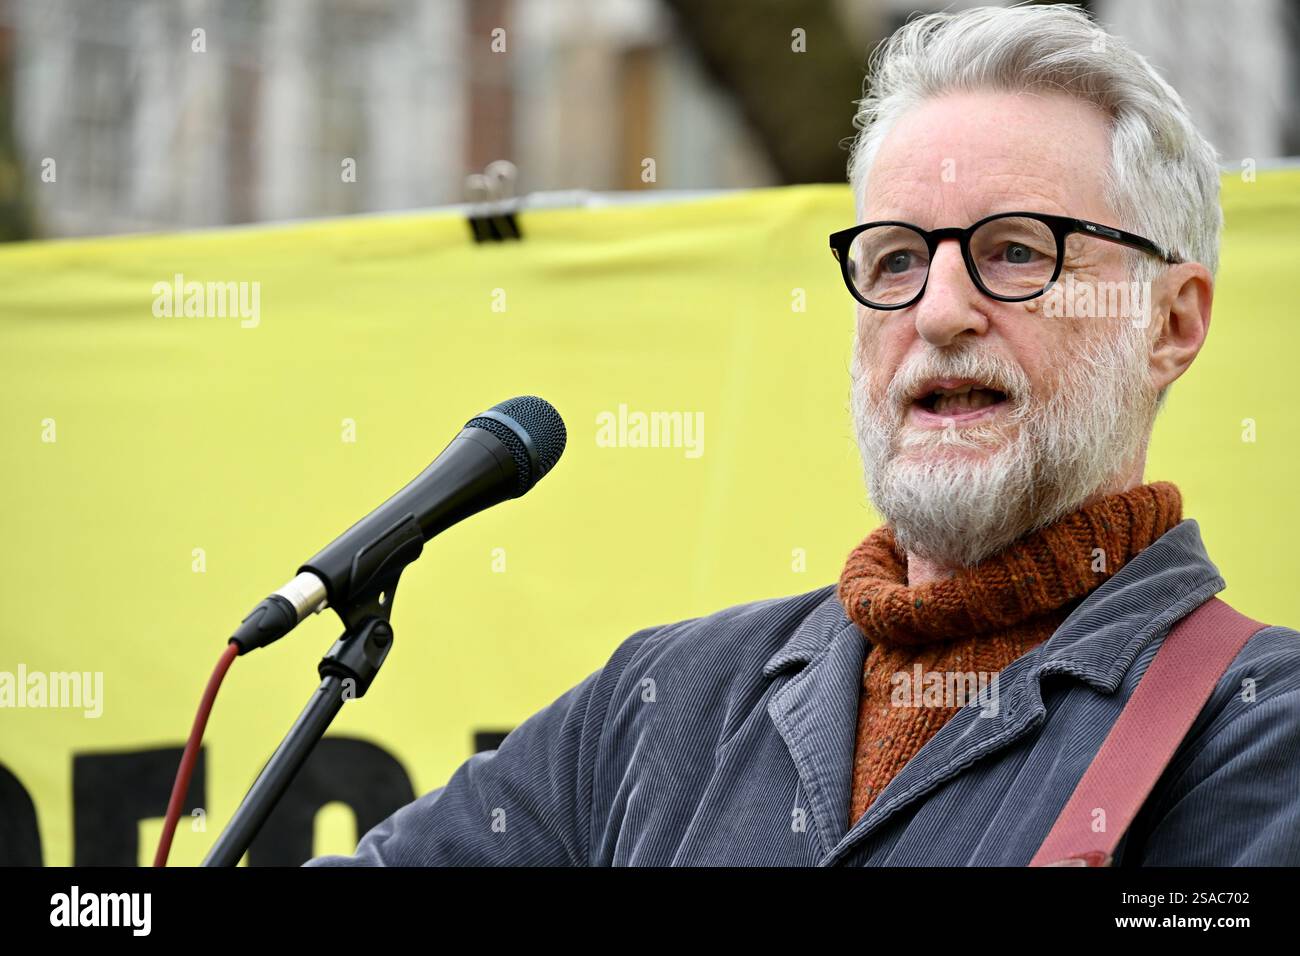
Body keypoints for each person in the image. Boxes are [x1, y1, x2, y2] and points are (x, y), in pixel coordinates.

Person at [305, 3, 1300, 866]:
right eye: (897, 257)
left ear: (1169, 321)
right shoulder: (659, 702)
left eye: (1013, 250)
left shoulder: (1259, 729)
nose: (939, 309)